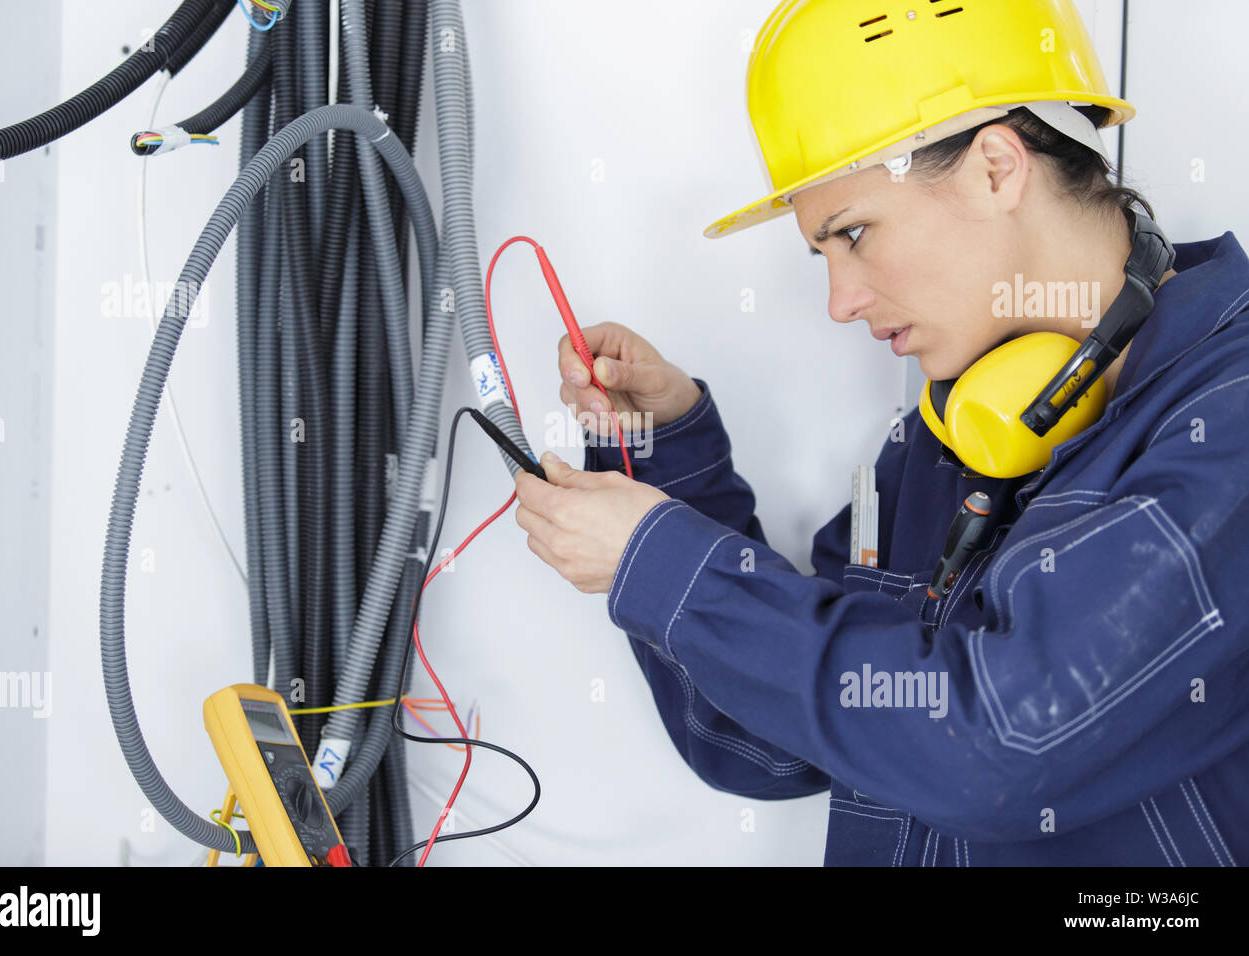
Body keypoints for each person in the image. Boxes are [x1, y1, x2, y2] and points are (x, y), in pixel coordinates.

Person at [512, 0, 1249, 865]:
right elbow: (765, 741)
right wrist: (665, 454)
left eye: (855, 234)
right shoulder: (954, 434)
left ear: (996, 168)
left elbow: (999, 749)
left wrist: (662, 559)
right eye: (823, 255)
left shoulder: (1223, 419)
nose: (839, 301)